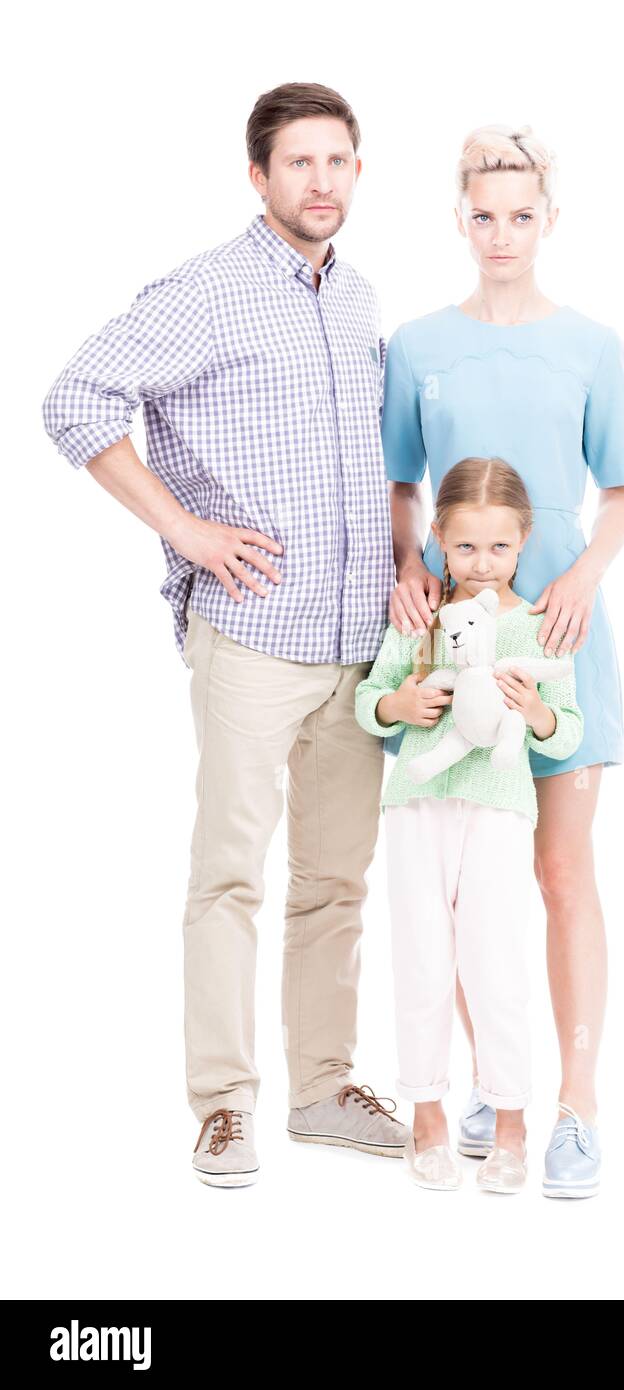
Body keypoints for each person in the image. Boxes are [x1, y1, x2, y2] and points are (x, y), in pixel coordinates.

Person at [41, 81, 410, 1187]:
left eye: (338, 161)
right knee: (229, 877)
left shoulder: (359, 300)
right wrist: (186, 530)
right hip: (252, 636)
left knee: (335, 882)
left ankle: (319, 1088)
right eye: (299, 163)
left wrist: (403, 562)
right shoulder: (204, 291)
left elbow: (376, 460)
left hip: (355, 645)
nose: (321, 182)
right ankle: (222, 1105)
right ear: (259, 176)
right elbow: (76, 398)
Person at [381, 124, 624, 1198]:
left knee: (557, 872)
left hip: (560, 644)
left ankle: (575, 1105)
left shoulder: (591, 345)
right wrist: (408, 564)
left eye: (520, 215)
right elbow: (402, 484)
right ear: (458, 218)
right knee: (452, 881)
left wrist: (582, 574)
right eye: (482, 214)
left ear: (547, 220)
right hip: (451, 642)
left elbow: (622, 492)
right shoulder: (416, 346)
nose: (500, 233)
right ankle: (489, 1092)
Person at [355, 457, 584, 1192]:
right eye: (464, 549)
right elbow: (372, 698)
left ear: (523, 545)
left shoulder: (540, 627)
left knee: (494, 965)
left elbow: (567, 731)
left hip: (498, 809)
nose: (481, 566)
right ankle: (427, 1116)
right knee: (421, 960)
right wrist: (400, 707)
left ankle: (510, 1121)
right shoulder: (422, 620)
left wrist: (536, 711)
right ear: (438, 542)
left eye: (498, 549)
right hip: (416, 809)